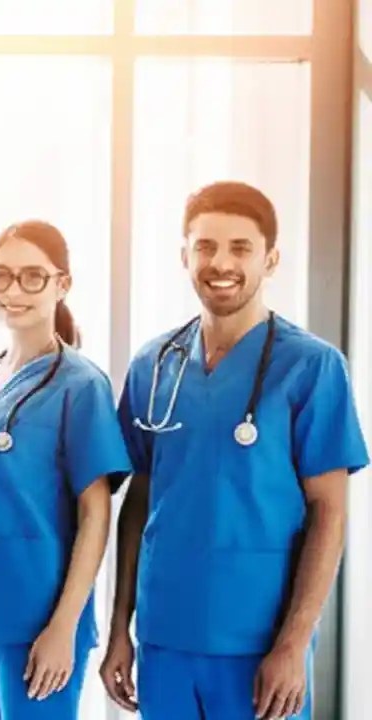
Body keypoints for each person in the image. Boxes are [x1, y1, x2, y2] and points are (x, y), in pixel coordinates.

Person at [101, 181, 369, 719]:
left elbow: (330, 511)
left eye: (240, 248)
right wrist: (119, 629)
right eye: (205, 247)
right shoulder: (153, 363)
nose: (220, 262)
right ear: (185, 256)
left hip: (259, 644)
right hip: (165, 636)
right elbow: (138, 501)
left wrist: (293, 646)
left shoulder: (312, 367)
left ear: (270, 260)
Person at [0, 221, 130, 719]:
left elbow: (95, 516)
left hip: (38, 624)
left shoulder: (80, 385)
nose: (14, 290)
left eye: (33, 277)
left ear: (62, 284)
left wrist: (63, 628)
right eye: (2, 276)